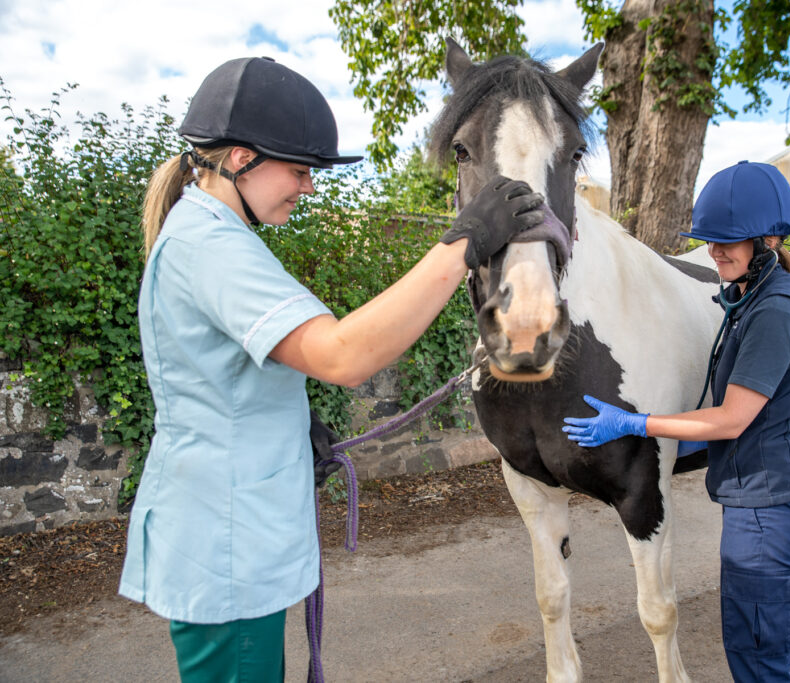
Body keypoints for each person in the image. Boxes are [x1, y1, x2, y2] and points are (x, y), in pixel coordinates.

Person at [119, 56, 545, 682]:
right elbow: (343, 355)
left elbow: (234, 381)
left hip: (227, 540)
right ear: (240, 158)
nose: (308, 188)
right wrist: (463, 243)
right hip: (228, 552)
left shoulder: (206, 234)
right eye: (299, 171)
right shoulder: (209, 246)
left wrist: (289, 427)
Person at [562, 160, 790, 682]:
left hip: (766, 512)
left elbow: (731, 419)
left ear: (769, 239)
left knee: (757, 656)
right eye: (710, 239)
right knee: (783, 645)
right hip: (769, 502)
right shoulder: (758, 298)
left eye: (730, 241)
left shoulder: (773, 311)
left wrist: (637, 424)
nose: (714, 251)